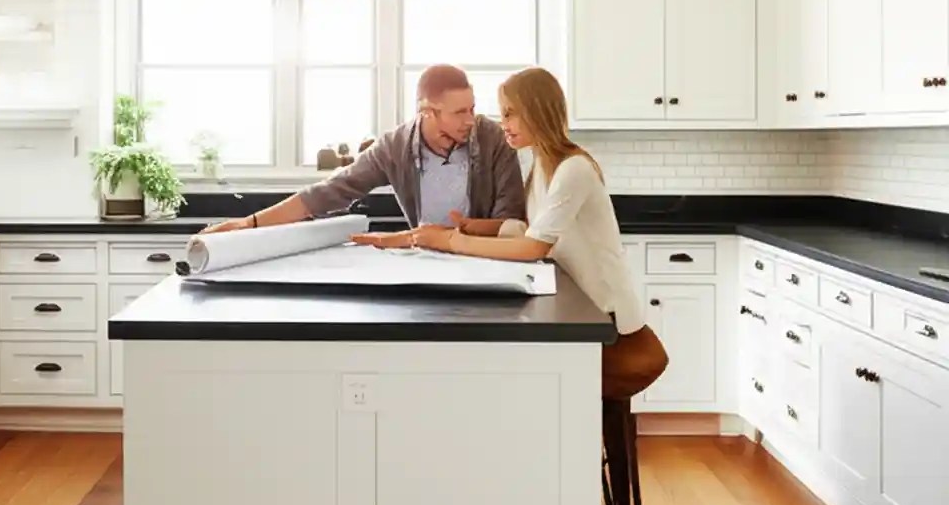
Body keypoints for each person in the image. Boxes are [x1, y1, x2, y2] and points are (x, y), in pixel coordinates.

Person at [356, 66, 667, 399]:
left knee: (526, 383)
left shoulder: (573, 169)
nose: (501, 123)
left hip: (609, 318)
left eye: (510, 114)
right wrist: (477, 227)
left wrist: (453, 241)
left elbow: (534, 246)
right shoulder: (542, 167)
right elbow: (530, 229)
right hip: (583, 306)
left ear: (537, 112)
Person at [198, 64, 526, 235]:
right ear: (427, 111)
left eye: (472, 108)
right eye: (459, 112)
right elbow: (331, 191)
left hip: (487, 260)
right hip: (426, 258)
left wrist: (462, 237)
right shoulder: (394, 147)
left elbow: (510, 219)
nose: (471, 120)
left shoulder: (493, 139)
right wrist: (249, 224)